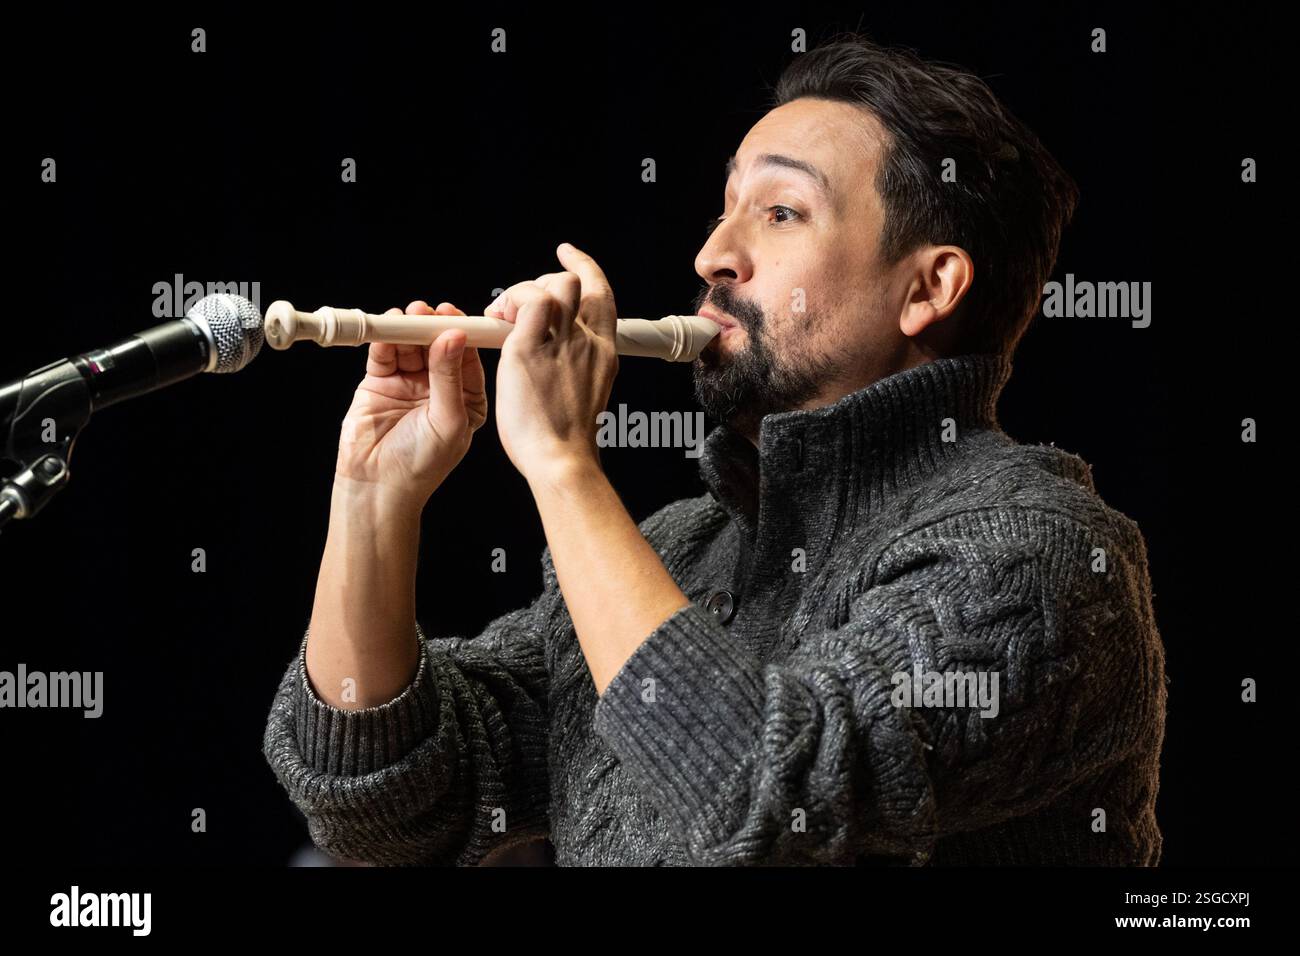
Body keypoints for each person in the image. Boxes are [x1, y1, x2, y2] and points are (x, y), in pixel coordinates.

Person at [262, 33, 1167, 866]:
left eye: (780, 211)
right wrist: (373, 498)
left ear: (929, 286)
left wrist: (565, 466)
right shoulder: (677, 551)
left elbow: (767, 798)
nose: (711, 255)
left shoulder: (1041, 553)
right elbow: (378, 803)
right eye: (724, 207)